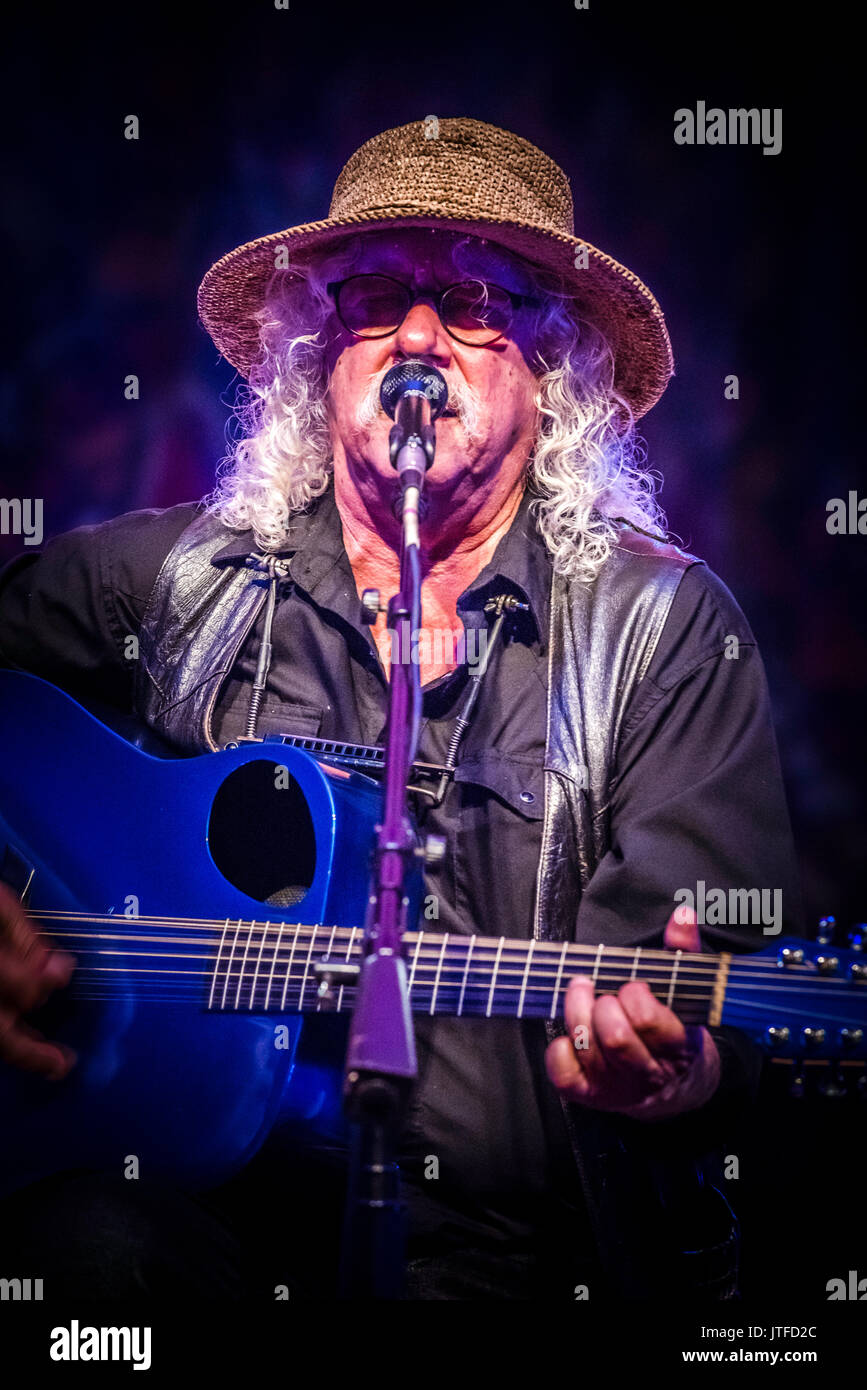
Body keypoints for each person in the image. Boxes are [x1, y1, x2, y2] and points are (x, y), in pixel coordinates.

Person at [0, 117, 801, 1301]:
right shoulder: (170, 582)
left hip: (511, 1258)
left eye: (476, 297)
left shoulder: (663, 630)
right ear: (315, 352)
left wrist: (682, 1079)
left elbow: (720, 1015)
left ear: (557, 364)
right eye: (373, 295)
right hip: (190, 1212)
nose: (416, 334)